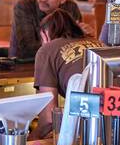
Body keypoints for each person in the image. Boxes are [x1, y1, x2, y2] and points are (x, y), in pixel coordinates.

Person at [33, 8, 103, 138]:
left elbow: (49, 119)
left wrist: (31, 139)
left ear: (44, 34)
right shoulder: (99, 43)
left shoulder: (46, 50)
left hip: (97, 123)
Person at [9, 0, 88, 60]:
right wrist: (63, 44)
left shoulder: (71, 8)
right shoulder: (24, 6)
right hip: (25, 64)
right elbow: (27, 49)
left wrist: (86, 35)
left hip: (61, 62)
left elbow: (77, 44)